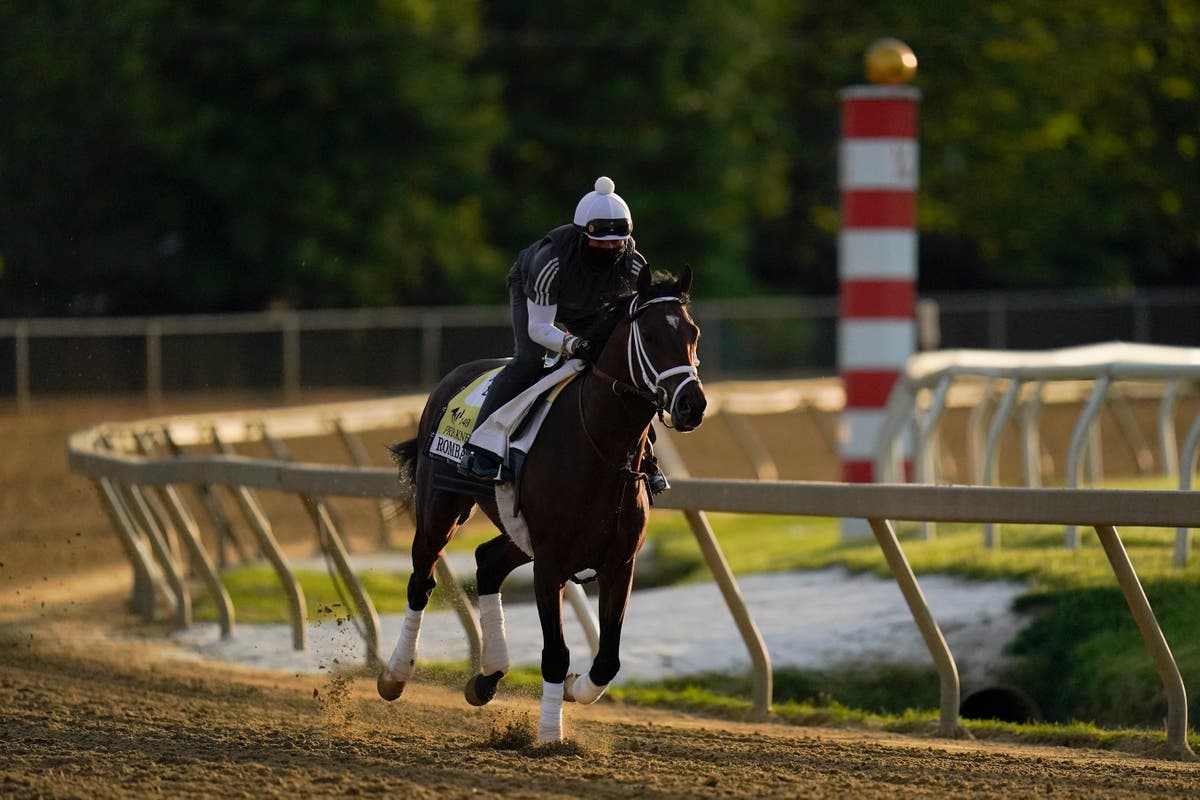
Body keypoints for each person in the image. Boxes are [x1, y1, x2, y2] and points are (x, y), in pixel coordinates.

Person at [458, 176, 670, 494]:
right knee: (529, 361)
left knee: (620, 372)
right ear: (583, 235)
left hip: (592, 304)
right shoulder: (550, 262)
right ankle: (480, 446)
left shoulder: (635, 266)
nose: (612, 248)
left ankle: (648, 459)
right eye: (603, 242)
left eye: (618, 242)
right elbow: (539, 328)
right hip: (537, 294)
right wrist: (573, 343)